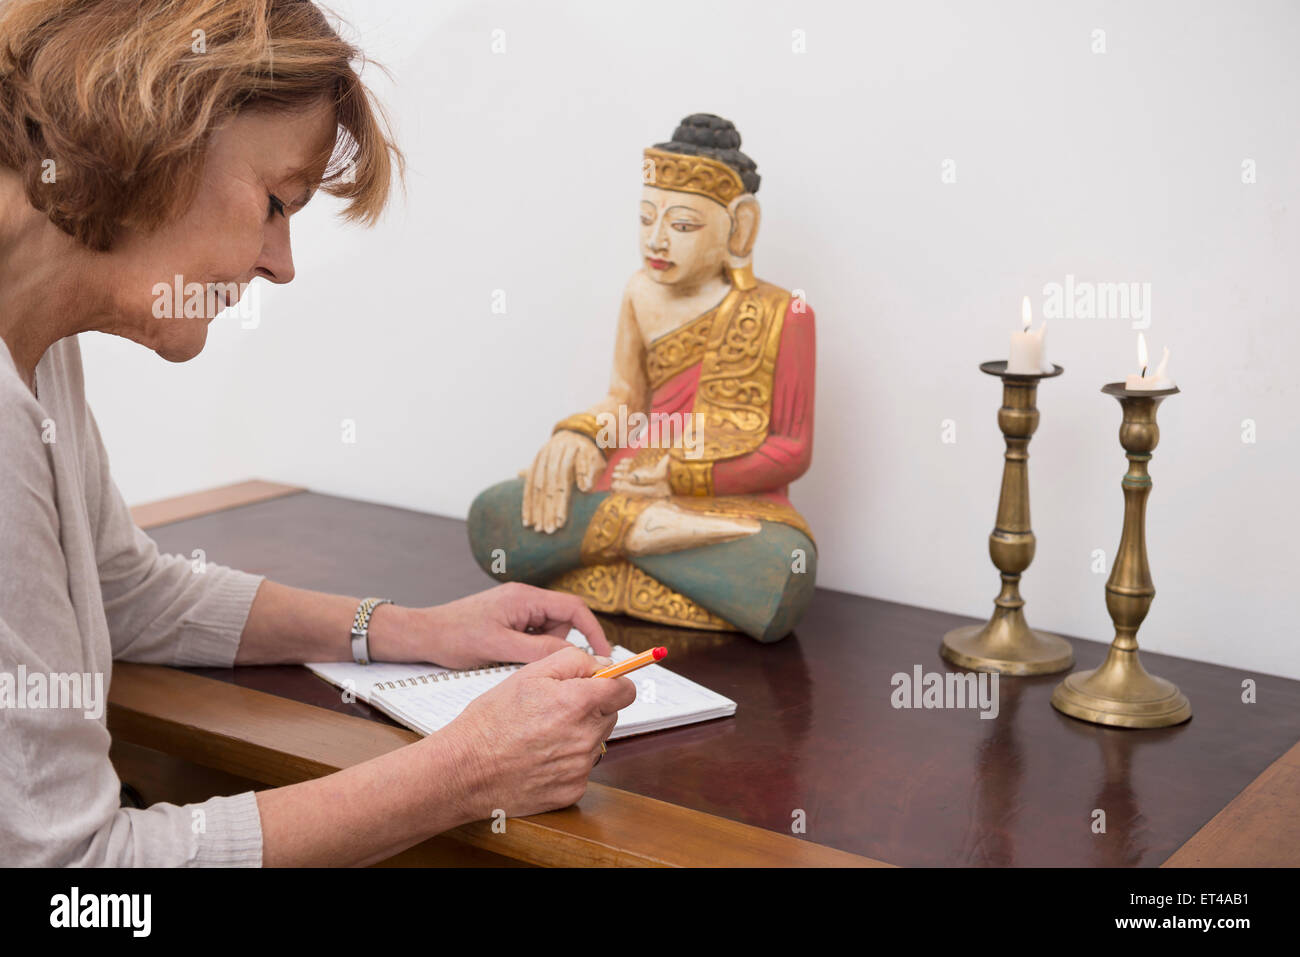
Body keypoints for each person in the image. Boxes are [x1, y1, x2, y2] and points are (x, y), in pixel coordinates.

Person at [0, 0, 635, 867]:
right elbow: (76, 879)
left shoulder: (35, 335)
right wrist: (471, 769)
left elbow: (123, 591)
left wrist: (411, 631)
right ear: (156, 125)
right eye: (275, 201)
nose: (281, 262)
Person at [467, 114, 818, 642]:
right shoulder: (640, 293)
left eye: (681, 226)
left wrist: (682, 479)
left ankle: (610, 546)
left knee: (785, 565)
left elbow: (791, 449)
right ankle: (649, 536)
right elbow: (626, 401)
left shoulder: (783, 311)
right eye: (646, 219)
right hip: (631, 481)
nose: (656, 240)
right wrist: (579, 433)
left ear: (740, 226)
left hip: (726, 499)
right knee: (494, 514)